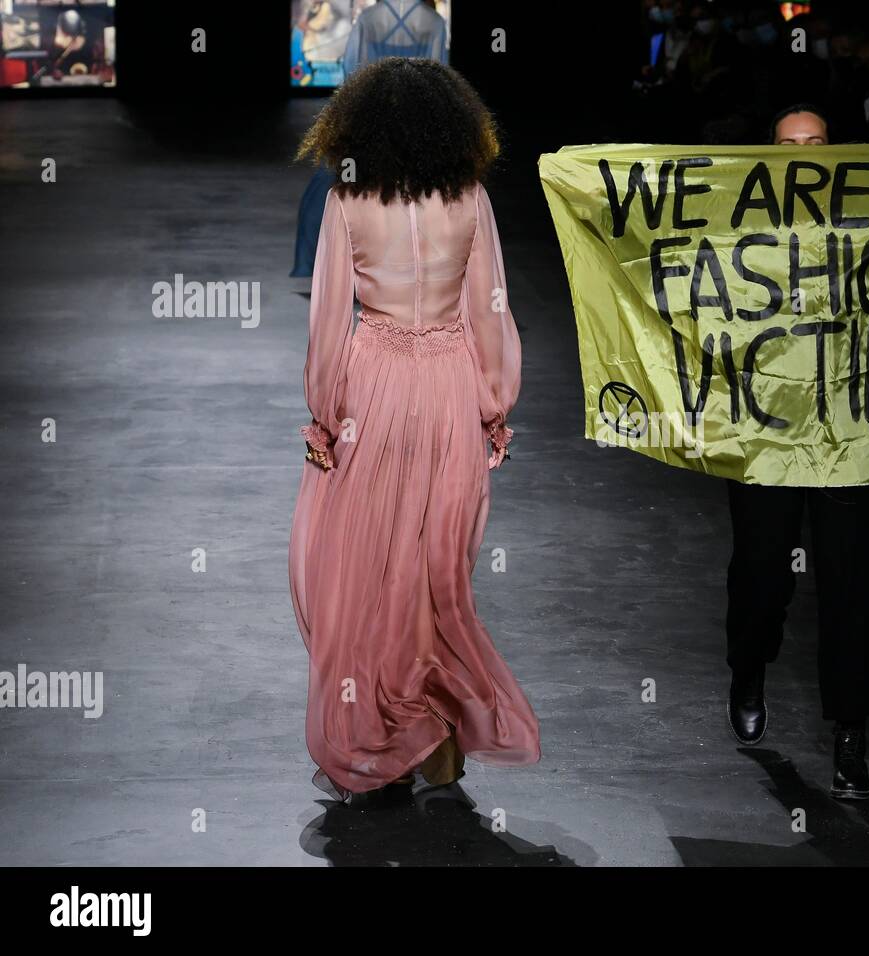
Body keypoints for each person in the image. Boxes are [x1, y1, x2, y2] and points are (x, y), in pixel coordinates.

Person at [289, 58, 539, 806]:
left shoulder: (345, 202)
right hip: (450, 383)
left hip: (374, 386)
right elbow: (491, 306)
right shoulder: (471, 200)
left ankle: (385, 738)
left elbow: (330, 318)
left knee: (363, 572)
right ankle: (441, 745)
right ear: (452, 124)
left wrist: (326, 415)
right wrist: (494, 404)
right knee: (438, 574)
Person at [724, 105, 869, 801]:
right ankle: (750, 665)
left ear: (836, 153)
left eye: (815, 145)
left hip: (849, 428)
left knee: (850, 583)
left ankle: (851, 736)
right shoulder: (739, 230)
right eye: (788, 146)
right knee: (764, 573)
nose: (802, 157)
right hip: (765, 430)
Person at [291, 1, 449, 279]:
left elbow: (351, 71)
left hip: (369, 117)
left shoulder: (368, 19)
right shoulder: (432, 23)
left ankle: (323, 267)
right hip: (414, 122)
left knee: (334, 183)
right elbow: (438, 78)